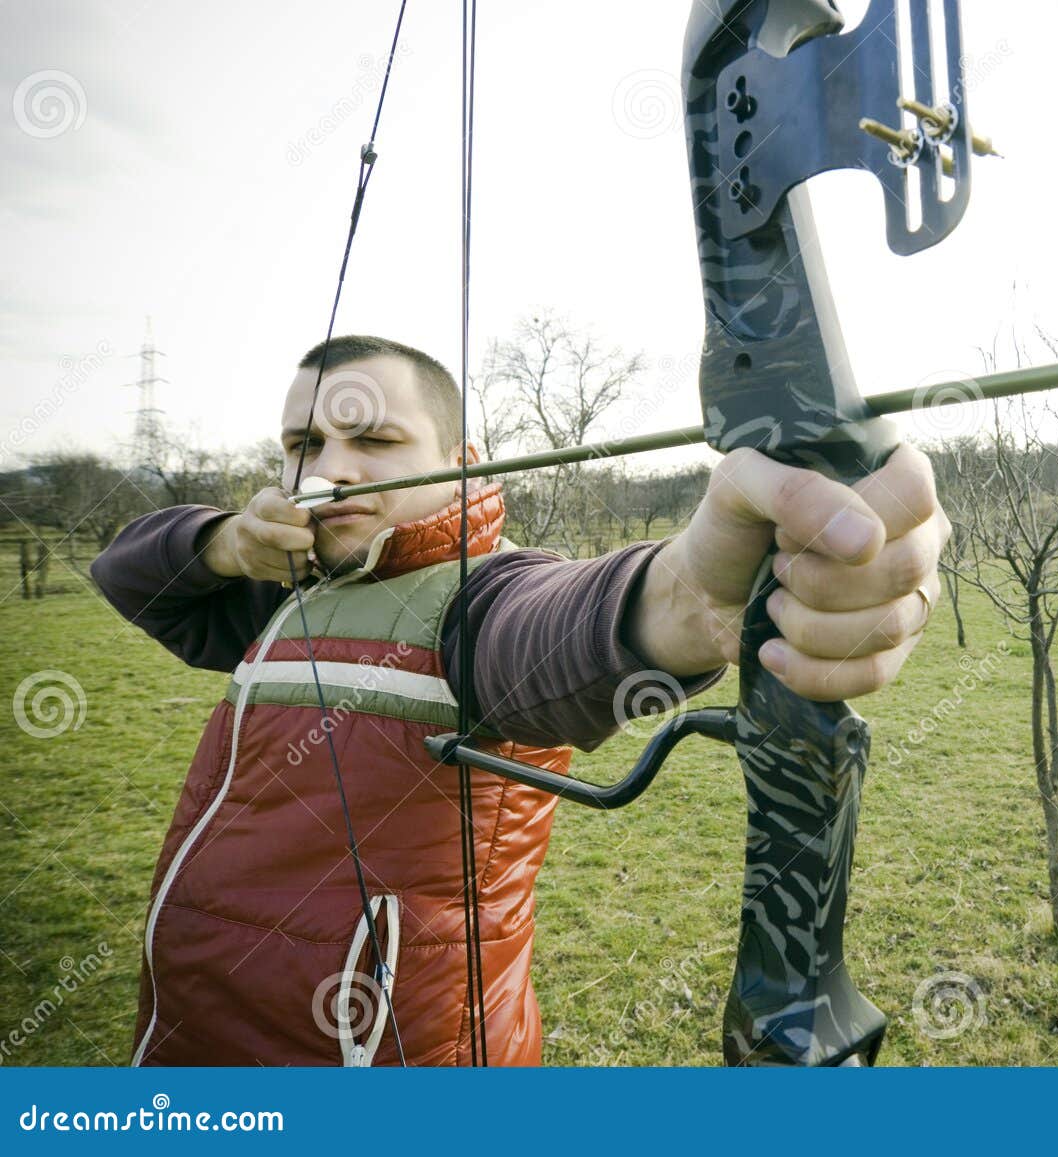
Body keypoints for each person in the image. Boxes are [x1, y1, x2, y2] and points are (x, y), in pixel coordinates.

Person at [91, 334, 949, 1066]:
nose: (330, 471)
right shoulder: (280, 589)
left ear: (465, 466)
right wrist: (224, 544)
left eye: (377, 441)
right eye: (303, 444)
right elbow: (126, 571)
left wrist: (693, 600)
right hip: (189, 1039)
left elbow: (562, 625)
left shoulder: (478, 602)